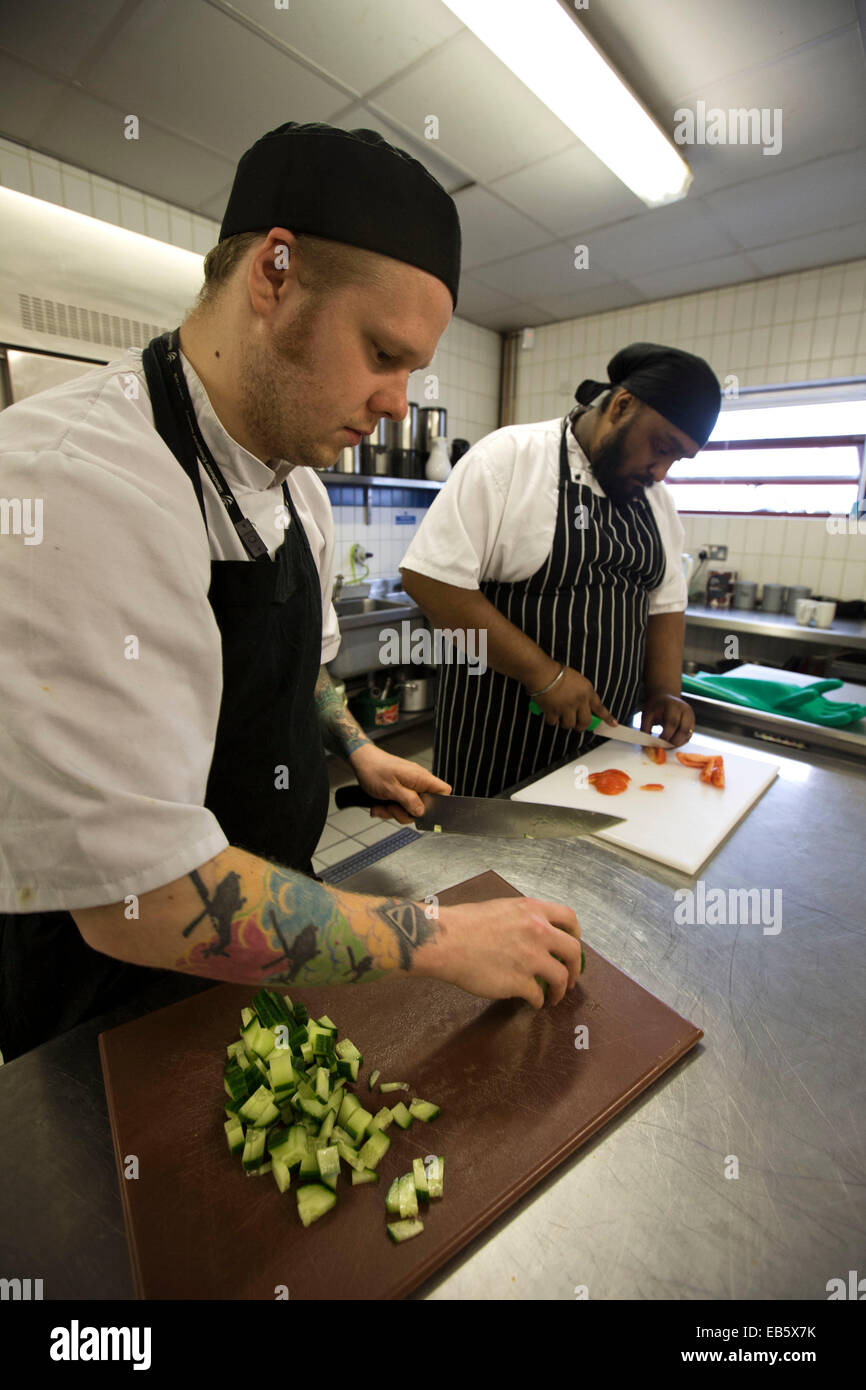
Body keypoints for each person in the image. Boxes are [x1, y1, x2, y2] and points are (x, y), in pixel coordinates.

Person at [0, 122, 583, 1062]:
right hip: (113, 1011)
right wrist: (436, 937)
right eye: (384, 354)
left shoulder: (296, 483)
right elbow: (135, 899)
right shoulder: (74, 485)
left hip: (277, 940)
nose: (399, 401)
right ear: (274, 275)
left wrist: (355, 746)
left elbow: (303, 672)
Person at [400, 343, 722, 797]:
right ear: (622, 406)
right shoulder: (511, 458)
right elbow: (430, 579)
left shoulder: (657, 502)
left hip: (603, 749)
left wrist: (665, 692)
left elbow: (664, 604)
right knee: (482, 861)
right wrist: (543, 674)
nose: (661, 471)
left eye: (678, 461)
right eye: (662, 448)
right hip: (497, 744)